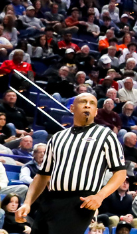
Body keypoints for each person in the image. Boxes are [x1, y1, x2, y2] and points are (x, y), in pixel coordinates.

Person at [15, 93, 127, 234]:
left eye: (92, 103)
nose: (87, 105)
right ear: (72, 108)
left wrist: (100, 196)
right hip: (51, 199)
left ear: (96, 111)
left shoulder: (106, 135)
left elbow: (120, 173)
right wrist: (27, 203)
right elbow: (42, 175)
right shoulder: (57, 137)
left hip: (80, 200)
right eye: (83, 102)